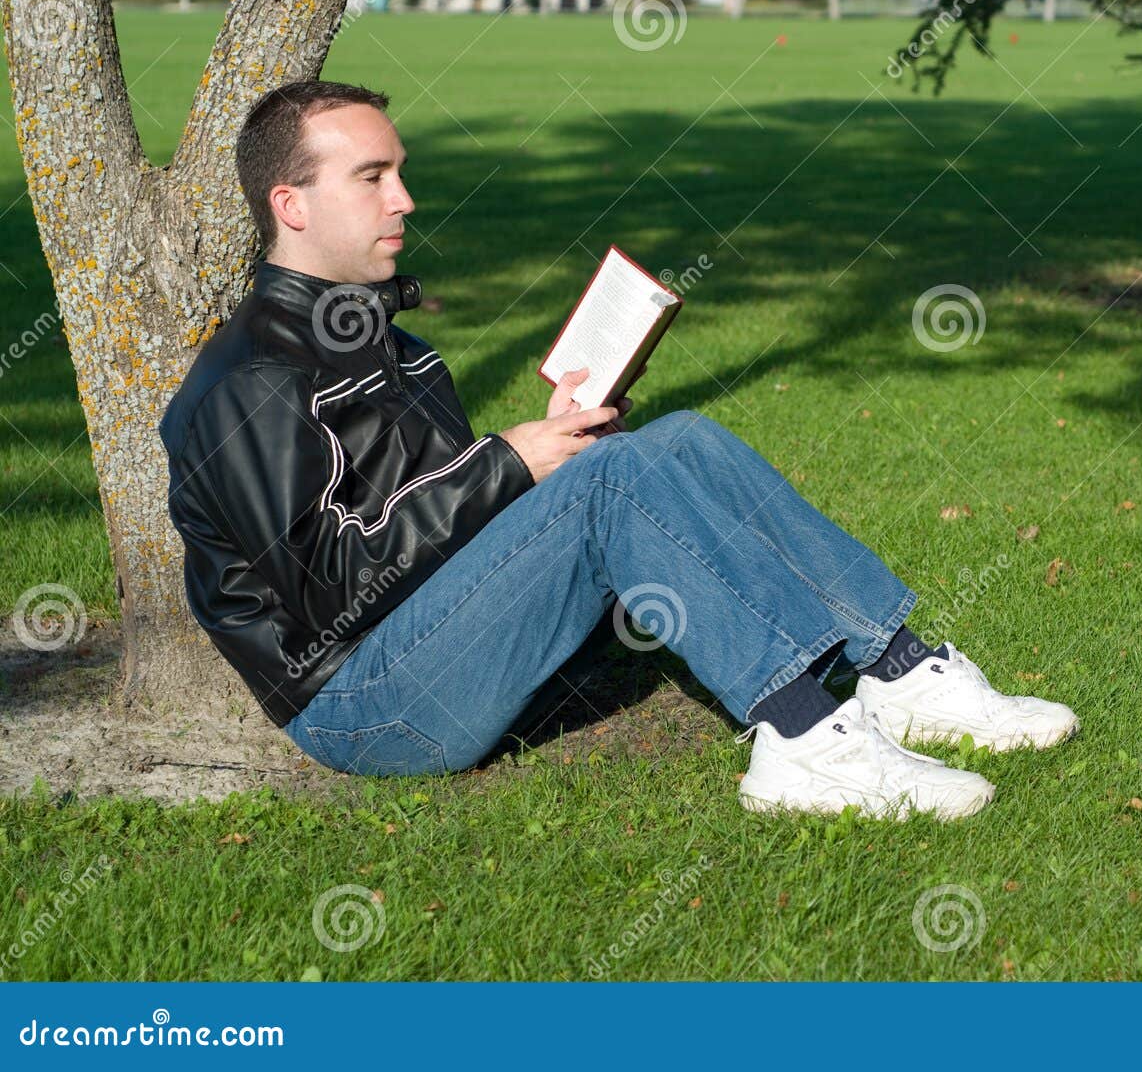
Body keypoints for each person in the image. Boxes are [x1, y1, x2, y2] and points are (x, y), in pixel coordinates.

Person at [159, 80, 1080, 821]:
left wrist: (554, 441)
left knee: (671, 439)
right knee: (614, 481)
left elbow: (429, 515)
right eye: (372, 176)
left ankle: (893, 667)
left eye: (399, 170)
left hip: (422, 640)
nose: (405, 197)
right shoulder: (254, 381)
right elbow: (325, 588)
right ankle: (804, 743)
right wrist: (511, 463)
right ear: (292, 203)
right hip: (363, 704)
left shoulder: (381, 337)